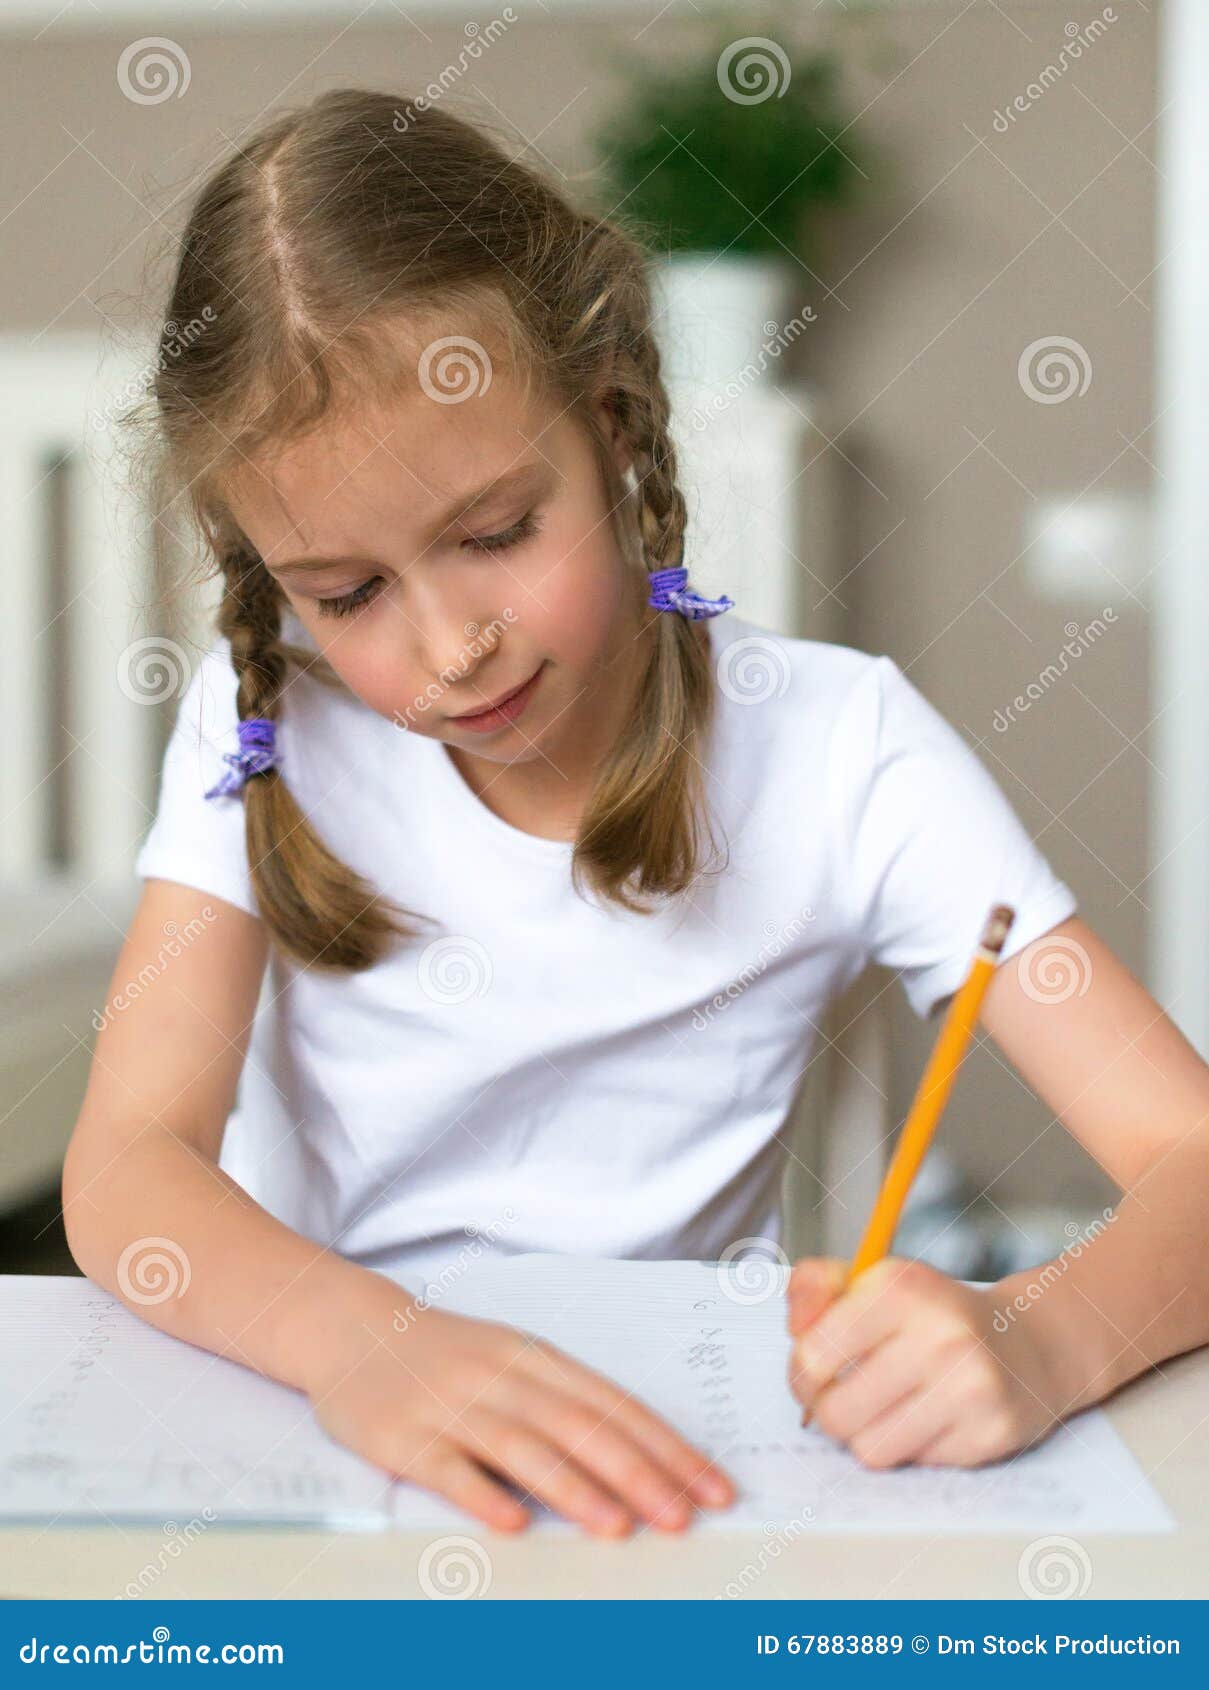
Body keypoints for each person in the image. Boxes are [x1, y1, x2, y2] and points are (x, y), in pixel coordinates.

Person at [64, 89, 1209, 1536]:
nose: (447, 645)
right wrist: (364, 1340)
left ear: (609, 424)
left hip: (680, 1474)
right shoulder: (264, 732)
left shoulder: (843, 751)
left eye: (492, 535)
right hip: (331, 1437)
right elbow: (126, 1164)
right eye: (345, 592)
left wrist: (1037, 1339)